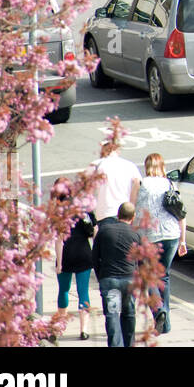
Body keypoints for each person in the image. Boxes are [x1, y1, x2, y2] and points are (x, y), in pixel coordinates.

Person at [132, 153, 187, 334]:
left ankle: (159, 311)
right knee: (164, 277)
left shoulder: (142, 184)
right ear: (162, 166)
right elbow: (180, 212)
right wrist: (183, 241)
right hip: (171, 235)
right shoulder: (170, 184)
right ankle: (166, 325)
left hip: (150, 236)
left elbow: (134, 212)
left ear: (147, 166)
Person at [51, 178, 95, 342]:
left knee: (63, 290)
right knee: (83, 291)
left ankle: (59, 328)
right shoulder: (84, 208)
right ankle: (84, 330)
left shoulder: (58, 213)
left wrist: (60, 263)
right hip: (84, 253)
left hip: (67, 254)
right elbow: (94, 231)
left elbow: (59, 240)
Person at [91, 201, 138, 348]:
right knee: (129, 314)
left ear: (118, 215)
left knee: (112, 316)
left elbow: (94, 257)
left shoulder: (104, 231)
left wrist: (101, 277)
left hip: (110, 280)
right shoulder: (135, 235)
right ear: (133, 217)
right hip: (129, 280)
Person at [90, 138, 141, 224]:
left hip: (104, 213)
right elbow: (137, 183)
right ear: (118, 149)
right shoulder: (129, 165)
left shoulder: (96, 165)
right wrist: (131, 204)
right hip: (124, 213)